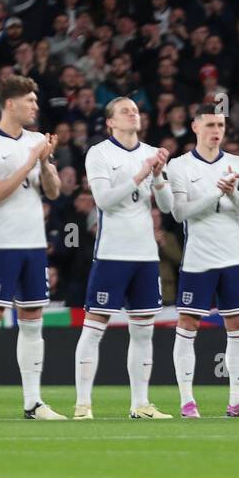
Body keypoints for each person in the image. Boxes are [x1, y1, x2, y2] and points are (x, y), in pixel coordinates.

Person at [0, 75, 63, 420]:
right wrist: (29, 159)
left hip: (34, 243)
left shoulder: (37, 141)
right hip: (3, 243)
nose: (36, 106)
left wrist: (42, 162)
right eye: (30, 101)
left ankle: (33, 402)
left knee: (33, 318)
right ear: (10, 104)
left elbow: (53, 191)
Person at [72, 97, 174, 419]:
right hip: (112, 254)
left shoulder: (152, 153)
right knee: (94, 327)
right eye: (125, 111)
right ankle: (83, 404)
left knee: (143, 330)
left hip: (144, 255)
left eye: (136, 110)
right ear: (111, 122)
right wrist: (141, 173)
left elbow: (169, 207)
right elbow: (103, 200)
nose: (133, 114)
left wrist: (157, 175)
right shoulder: (99, 153)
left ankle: (140, 404)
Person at [167, 105, 239, 418]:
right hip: (198, 258)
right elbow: (178, 212)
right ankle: (186, 402)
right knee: (188, 324)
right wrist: (216, 193)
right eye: (209, 124)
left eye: (220, 124)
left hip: (233, 256)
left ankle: (237, 401)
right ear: (195, 127)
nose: (215, 130)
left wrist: (233, 194)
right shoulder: (180, 166)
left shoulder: (238, 164)